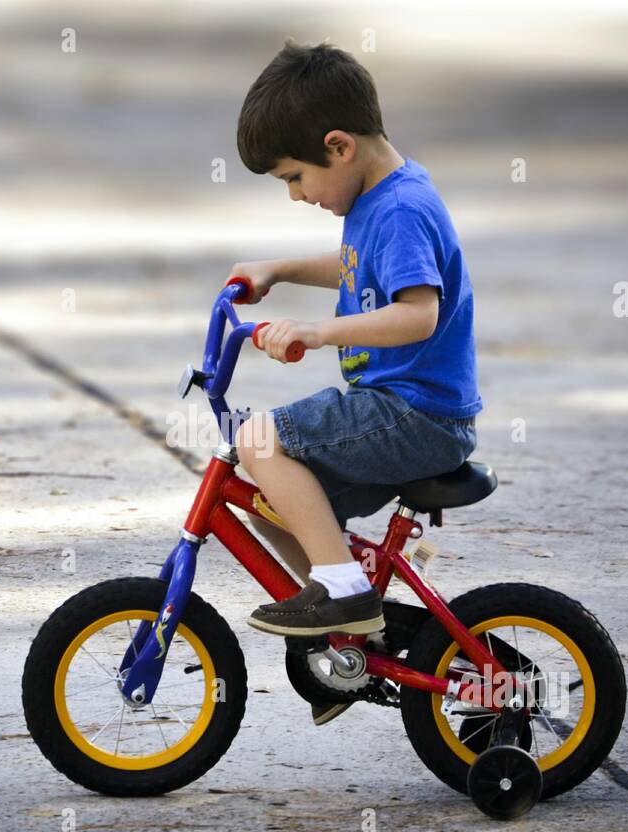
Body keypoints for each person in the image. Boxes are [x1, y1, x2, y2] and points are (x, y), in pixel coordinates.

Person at [229, 41, 482, 706]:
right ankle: (348, 642)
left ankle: (342, 596)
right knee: (269, 502)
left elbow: (417, 314)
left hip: (415, 414)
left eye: (293, 177)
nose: (295, 195)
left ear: (337, 146)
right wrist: (278, 269)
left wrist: (317, 333)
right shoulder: (374, 201)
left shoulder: (400, 208)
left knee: (260, 441)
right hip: (401, 411)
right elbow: (352, 266)